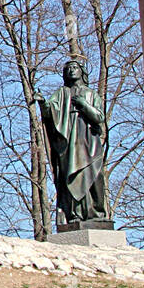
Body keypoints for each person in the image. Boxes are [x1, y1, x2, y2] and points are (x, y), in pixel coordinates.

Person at [35, 59, 109, 225]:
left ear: (81, 71)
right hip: (70, 141)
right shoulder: (62, 93)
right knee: (72, 175)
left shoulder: (91, 94)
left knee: (95, 176)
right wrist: (43, 103)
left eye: (75, 68)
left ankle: (97, 213)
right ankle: (75, 214)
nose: (71, 71)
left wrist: (84, 105)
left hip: (89, 139)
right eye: (68, 69)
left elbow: (99, 117)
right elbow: (50, 111)